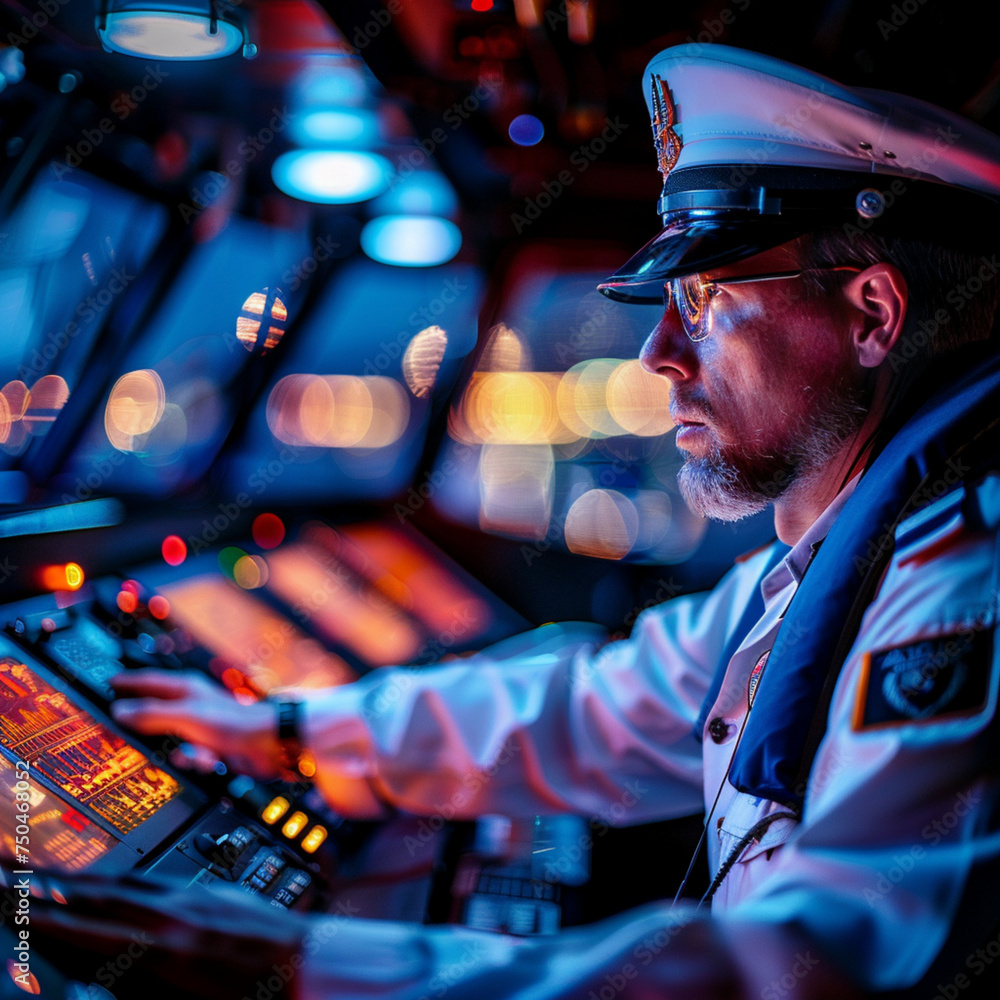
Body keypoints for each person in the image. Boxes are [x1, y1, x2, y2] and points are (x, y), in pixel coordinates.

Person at [30, 44, 1000, 999]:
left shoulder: (962, 588)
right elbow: (601, 707)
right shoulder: (845, 555)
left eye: (703, 297)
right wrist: (287, 732)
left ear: (871, 315)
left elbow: (816, 971)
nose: (657, 352)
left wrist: (300, 963)